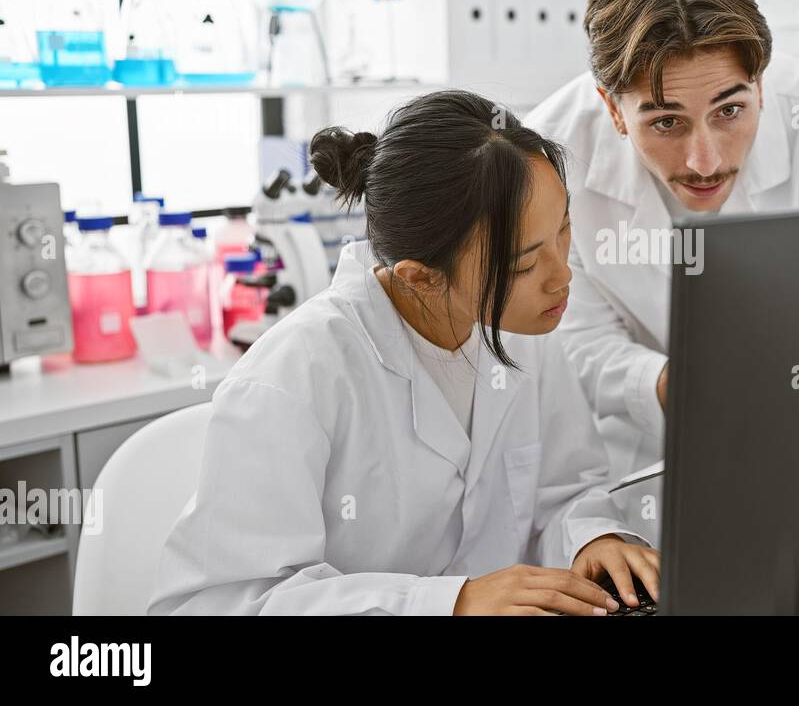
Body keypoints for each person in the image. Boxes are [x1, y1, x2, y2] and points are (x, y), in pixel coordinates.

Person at [150, 90, 659, 616]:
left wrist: (592, 540)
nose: (562, 275)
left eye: (563, 231)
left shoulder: (523, 327)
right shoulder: (294, 377)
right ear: (420, 276)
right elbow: (224, 604)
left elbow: (564, 489)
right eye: (525, 265)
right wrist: (448, 604)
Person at [526, 0, 799, 479]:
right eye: (666, 122)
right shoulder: (547, 161)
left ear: (760, 85)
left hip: (795, 424)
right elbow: (571, 340)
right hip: (628, 451)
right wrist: (679, 383)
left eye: (730, 111)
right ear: (611, 109)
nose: (705, 161)